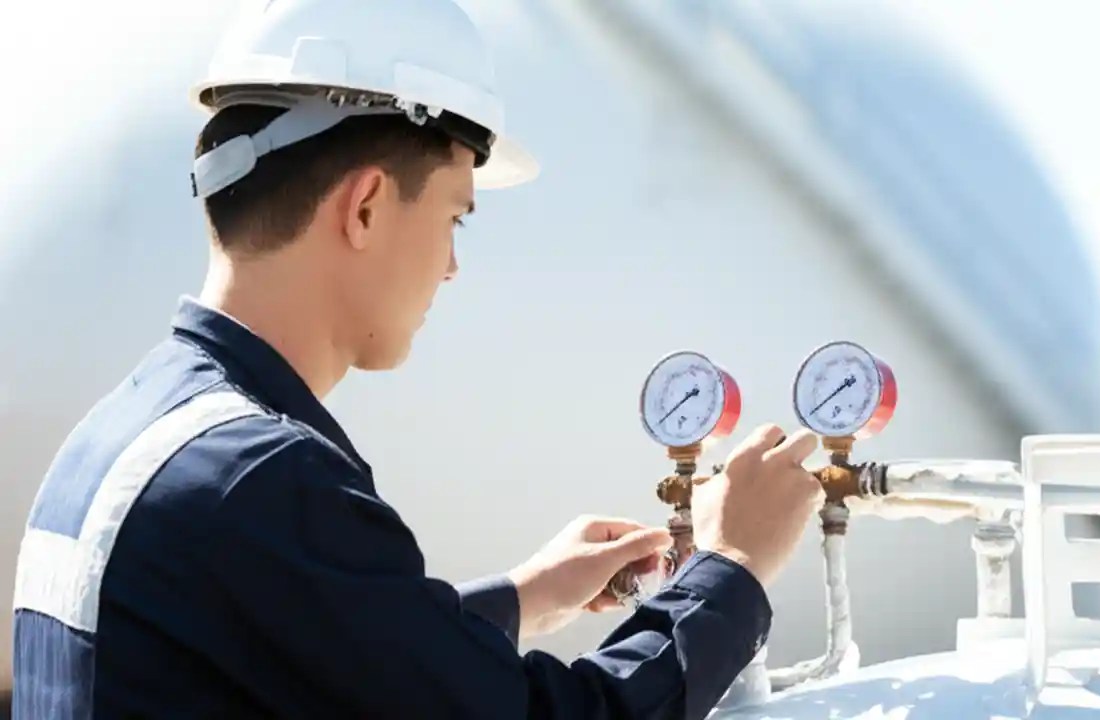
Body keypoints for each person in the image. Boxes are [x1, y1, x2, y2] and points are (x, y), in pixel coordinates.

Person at [10, 0, 825, 717]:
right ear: (365, 206)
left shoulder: (123, 438)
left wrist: (519, 600)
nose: (450, 267)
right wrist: (732, 564)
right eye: (454, 220)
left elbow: (295, 647)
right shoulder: (265, 482)